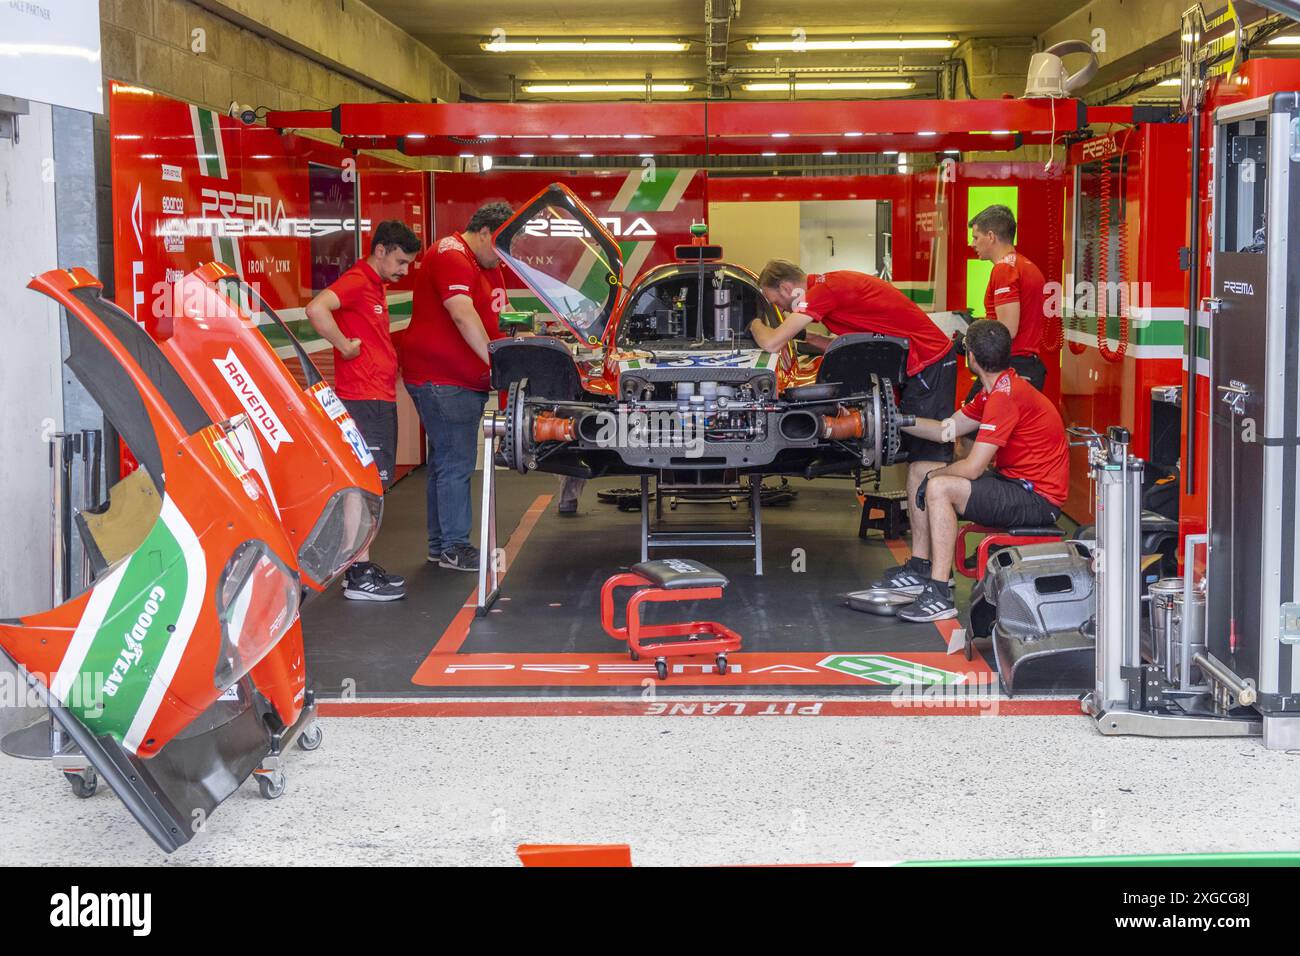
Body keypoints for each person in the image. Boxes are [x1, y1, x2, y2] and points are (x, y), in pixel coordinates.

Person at [751, 260, 960, 590]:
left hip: (930, 365)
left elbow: (771, 342)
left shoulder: (823, 291)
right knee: (919, 470)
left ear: (788, 289)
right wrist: (808, 338)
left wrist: (754, 325)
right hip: (921, 366)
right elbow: (850, 341)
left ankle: (931, 573)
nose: (778, 308)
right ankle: (923, 565)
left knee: (925, 470)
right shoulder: (830, 286)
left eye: (776, 301)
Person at [889, 319, 1069, 623]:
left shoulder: (1003, 397)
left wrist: (936, 478)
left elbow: (973, 467)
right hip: (1016, 484)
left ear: (970, 356)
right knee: (923, 470)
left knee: (939, 486)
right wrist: (899, 420)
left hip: (1037, 500)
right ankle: (925, 569)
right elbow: (948, 429)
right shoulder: (996, 388)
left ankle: (939, 593)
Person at [306, 219, 422, 601]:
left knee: (369, 485)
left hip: (376, 398)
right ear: (382, 250)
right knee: (364, 486)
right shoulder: (358, 281)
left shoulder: (373, 286)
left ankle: (360, 564)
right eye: (401, 262)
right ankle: (357, 574)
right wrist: (343, 345)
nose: (404, 271)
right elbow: (316, 309)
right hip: (364, 400)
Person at [402, 201, 515, 571]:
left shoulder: (484, 263)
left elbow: (498, 315)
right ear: (485, 233)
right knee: (456, 463)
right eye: (501, 246)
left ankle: (441, 545)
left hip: (456, 380)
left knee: (444, 462)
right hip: (444, 380)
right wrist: (497, 366)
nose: (503, 257)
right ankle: (454, 546)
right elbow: (463, 316)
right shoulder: (452, 255)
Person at [967, 204, 1049, 398]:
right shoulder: (1027, 266)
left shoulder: (1004, 269)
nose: (972, 243)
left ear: (991, 236)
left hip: (1010, 366)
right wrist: (978, 323)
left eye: (976, 237)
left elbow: (1007, 330)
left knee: (968, 425)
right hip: (1027, 365)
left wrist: (969, 340)